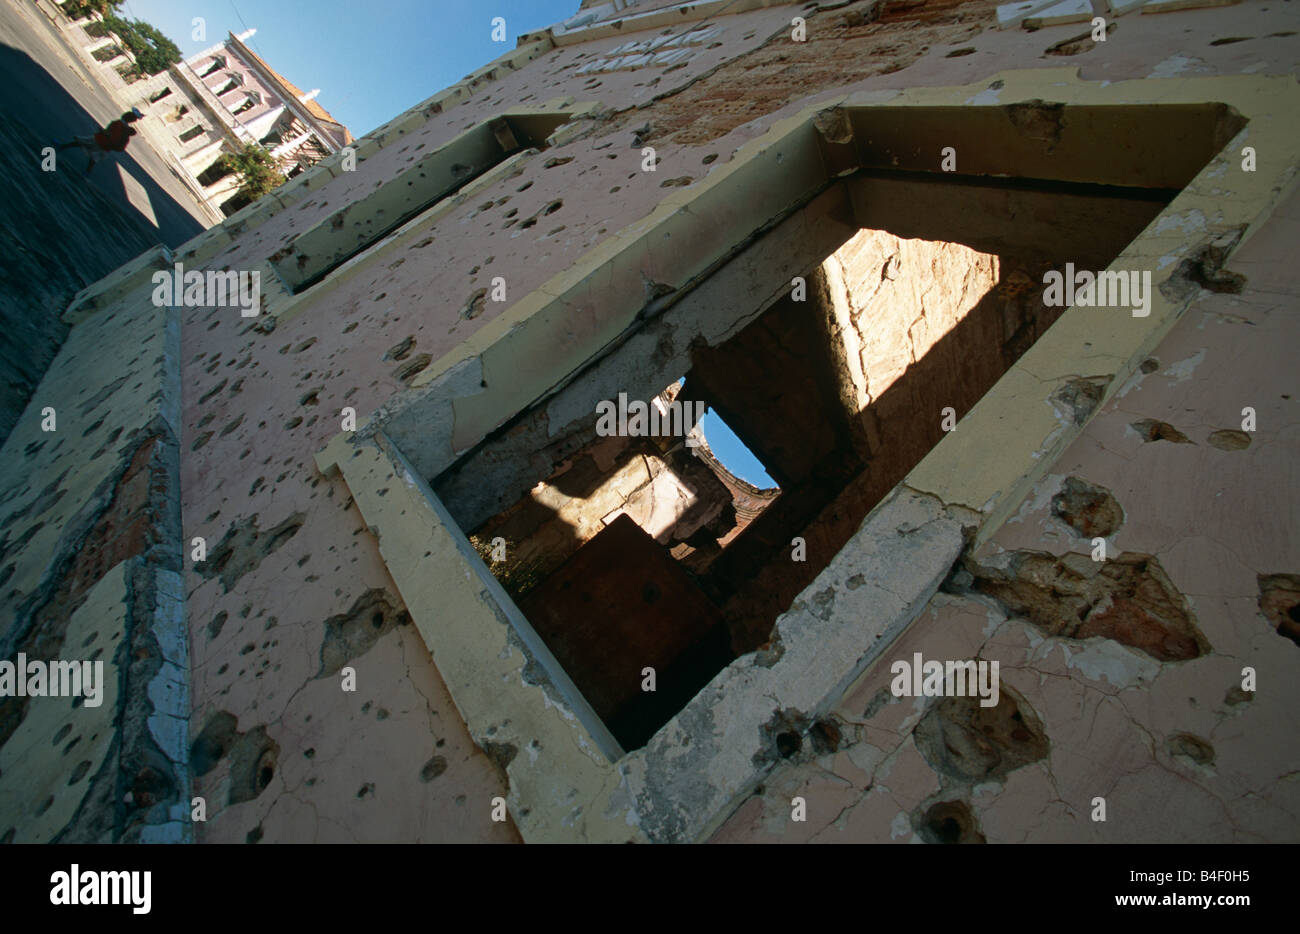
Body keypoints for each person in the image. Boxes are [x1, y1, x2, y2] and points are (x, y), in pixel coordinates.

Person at [57, 108, 143, 174]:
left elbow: (112, 136)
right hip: (105, 146)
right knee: (93, 157)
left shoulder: (119, 124)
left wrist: (103, 131)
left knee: (80, 143)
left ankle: (62, 146)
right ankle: (87, 171)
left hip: (101, 140)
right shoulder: (123, 127)